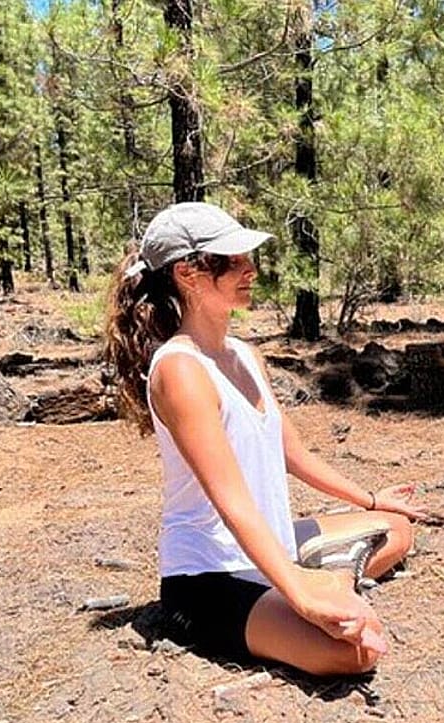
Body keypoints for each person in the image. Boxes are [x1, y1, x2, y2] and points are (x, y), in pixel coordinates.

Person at [105, 202, 424, 675]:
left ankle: (325, 577)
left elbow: (291, 452)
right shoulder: (181, 372)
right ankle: (316, 581)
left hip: (271, 543)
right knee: (355, 653)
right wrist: (300, 593)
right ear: (187, 273)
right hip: (208, 577)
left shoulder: (244, 354)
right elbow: (230, 499)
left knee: (396, 528)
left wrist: (372, 498)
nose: (250, 269)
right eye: (232, 260)